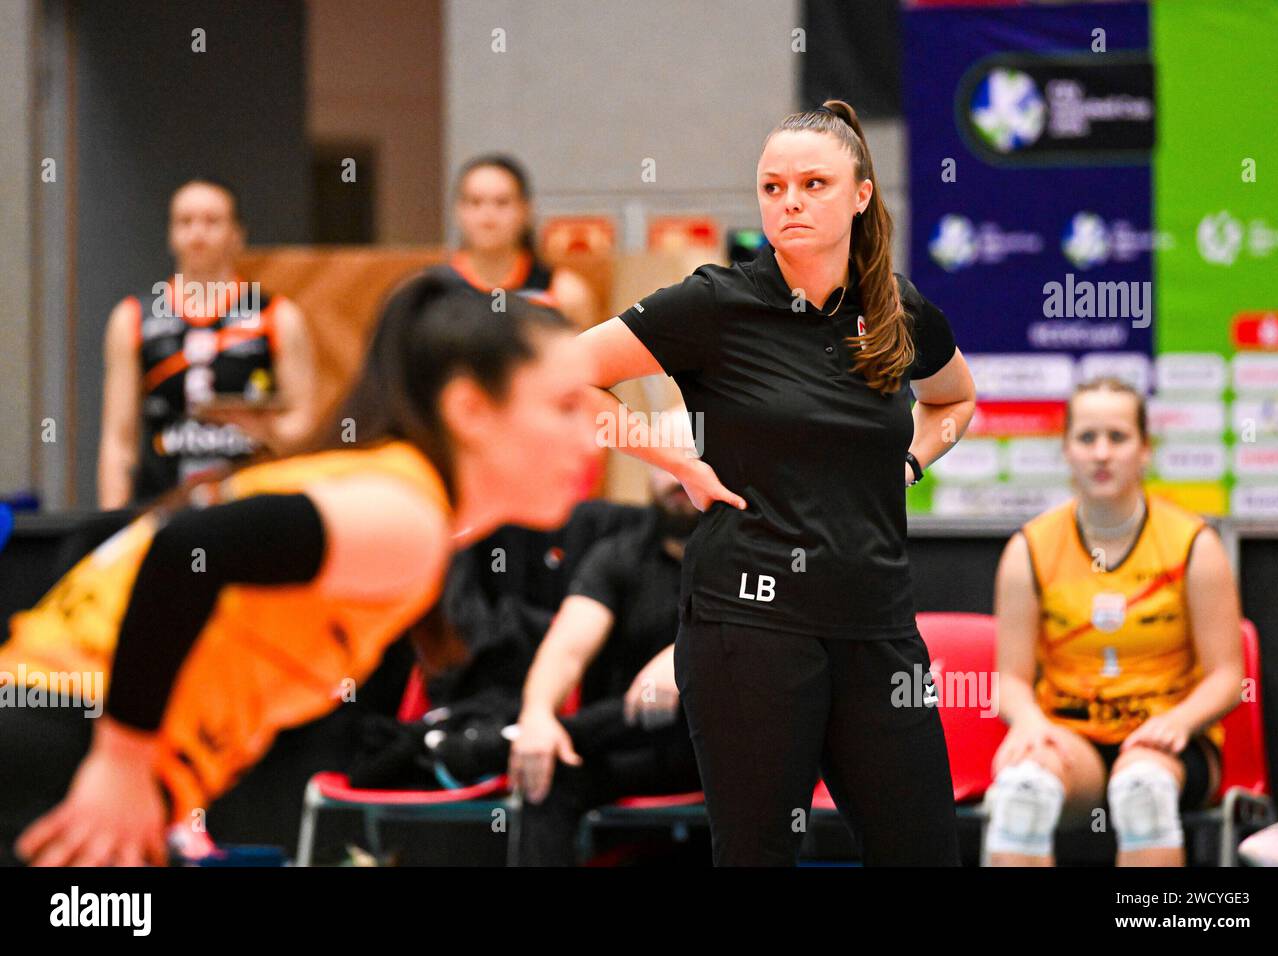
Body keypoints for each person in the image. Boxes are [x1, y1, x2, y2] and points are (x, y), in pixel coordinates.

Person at [0, 273, 595, 866]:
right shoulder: (404, 516)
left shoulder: (385, 489)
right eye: (565, 406)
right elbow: (187, 548)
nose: (590, 440)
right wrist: (121, 761)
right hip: (64, 739)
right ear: (469, 408)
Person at [573, 100, 978, 865]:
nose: (790, 201)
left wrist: (912, 460)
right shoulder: (717, 303)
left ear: (861, 194)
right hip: (748, 625)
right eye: (773, 186)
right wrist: (674, 459)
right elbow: (566, 377)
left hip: (878, 625)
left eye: (814, 184)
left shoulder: (897, 307)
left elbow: (955, 399)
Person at [987, 377, 1244, 867]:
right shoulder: (1030, 548)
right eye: (1086, 438)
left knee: (1141, 789)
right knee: (1022, 791)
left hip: (1168, 740)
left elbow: (1229, 677)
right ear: (1066, 449)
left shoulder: (1194, 544)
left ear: (1145, 449)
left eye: (1118, 437)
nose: (1101, 453)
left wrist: (1179, 721)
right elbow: (1010, 681)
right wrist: (1029, 722)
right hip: (1070, 736)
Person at [510, 457, 704, 865]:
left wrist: (687, 653)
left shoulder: (748, 556)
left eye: (691, 457)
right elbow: (567, 648)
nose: (677, 476)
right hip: (636, 734)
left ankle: (487, 743)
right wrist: (537, 714)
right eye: (665, 459)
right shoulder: (619, 555)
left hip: (725, 748)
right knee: (549, 769)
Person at [97, 178, 317, 509]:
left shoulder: (277, 317)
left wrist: (265, 430)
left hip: (250, 507)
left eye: (212, 221)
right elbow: (118, 440)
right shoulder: (132, 318)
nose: (197, 233)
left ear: (237, 235)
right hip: (162, 505)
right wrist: (111, 528)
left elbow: (306, 423)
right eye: (185, 222)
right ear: (171, 234)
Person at [431, 154, 597, 329]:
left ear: (526, 209)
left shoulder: (567, 294)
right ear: (458, 210)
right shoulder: (429, 293)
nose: (488, 214)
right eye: (475, 202)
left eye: (502, 202)